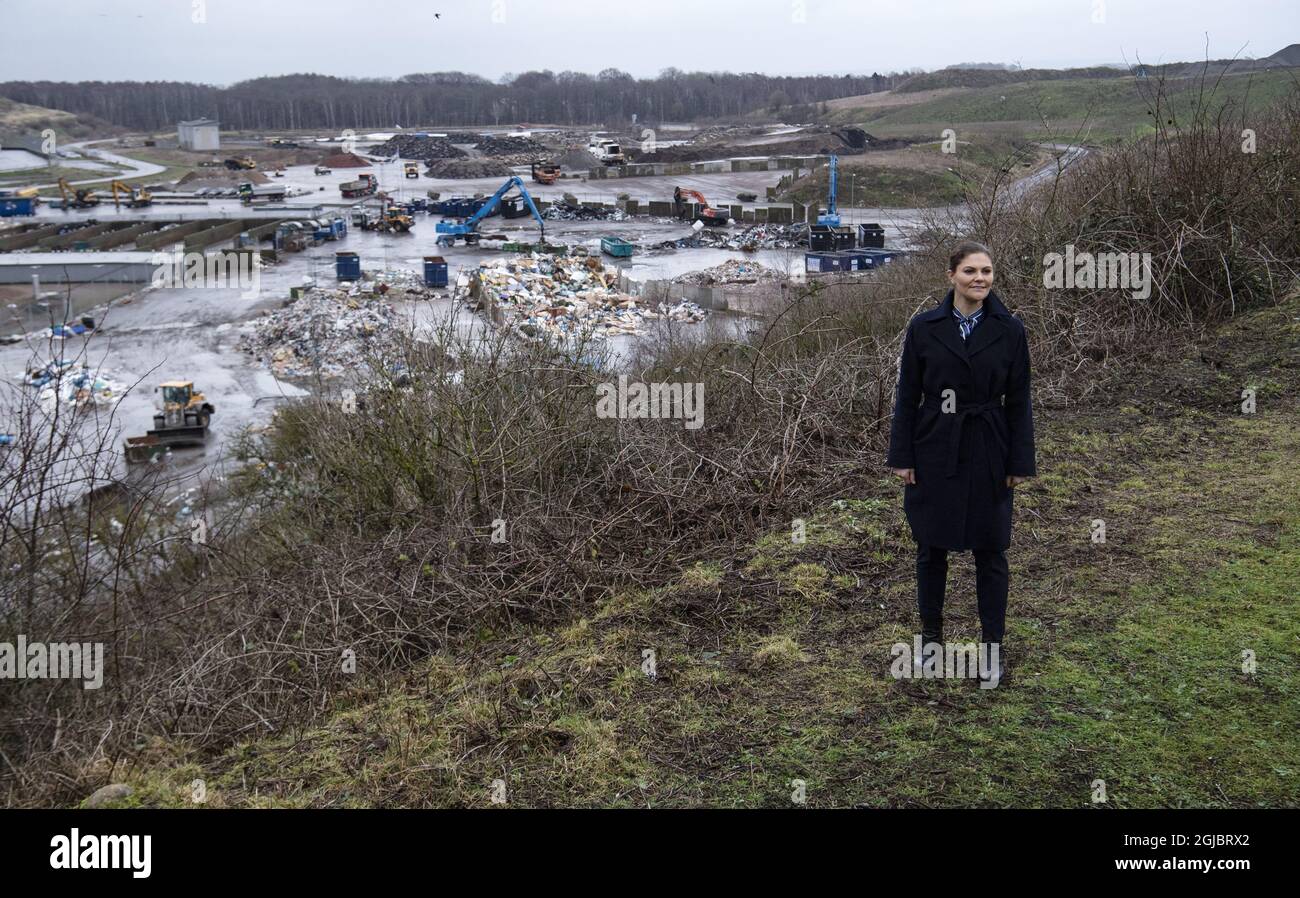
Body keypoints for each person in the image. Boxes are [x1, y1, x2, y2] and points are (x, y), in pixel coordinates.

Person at [886, 241, 1036, 685]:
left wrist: (1018, 461)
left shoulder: (1010, 329)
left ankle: (991, 650)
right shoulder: (923, 327)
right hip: (935, 445)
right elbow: (907, 395)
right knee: (931, 549)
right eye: (971, 271)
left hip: (990, 445)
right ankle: (931, 645)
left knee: (991, 551)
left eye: (987, 271)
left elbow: (1020, 400)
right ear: (951, 275)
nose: (980, 279)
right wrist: (903, 456)